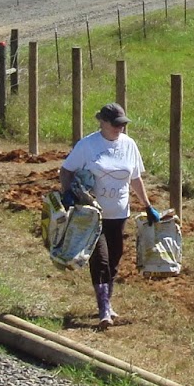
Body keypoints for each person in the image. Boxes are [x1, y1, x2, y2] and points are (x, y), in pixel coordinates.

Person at [56, 103, 158, 328]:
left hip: (119, 213)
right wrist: (67, 193)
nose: (119, 129)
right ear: (102, 122)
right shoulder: (87, 145)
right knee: (100, 259)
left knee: (114, 258)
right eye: (115, 125)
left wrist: (147, 205)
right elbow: (66, 170)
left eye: (122, 125)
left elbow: (135, 178)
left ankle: (107, 303)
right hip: (92, 215)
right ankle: (103, 309)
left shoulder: (129, 145)